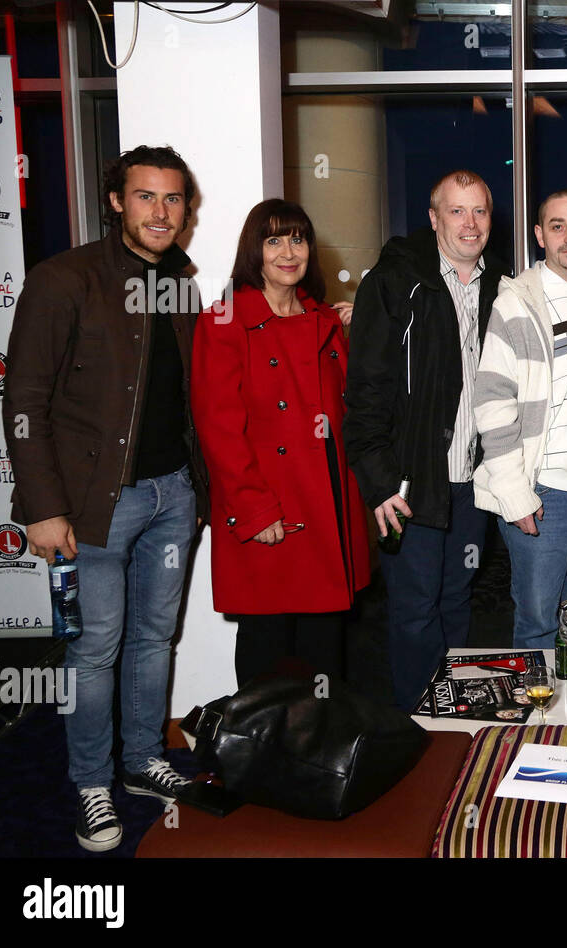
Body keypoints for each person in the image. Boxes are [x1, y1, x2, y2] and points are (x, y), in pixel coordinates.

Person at [2, 145, 205, 851]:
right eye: (146, 197)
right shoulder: (64, 279)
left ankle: (143, 759)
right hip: (94, 505)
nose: (161, 211)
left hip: (172, 495)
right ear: (117, 201)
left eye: (174, 199)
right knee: (94, 650)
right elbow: (24, 397)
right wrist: (42, 506)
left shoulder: (182, 281)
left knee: (154, 639)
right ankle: (92, 783)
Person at [344, 169, 506, 710]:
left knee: (458, 599)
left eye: (479, 211)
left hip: (472, 482)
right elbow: (365, 392)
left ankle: (453, 711)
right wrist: (379, 481)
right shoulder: (394, 284)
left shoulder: (500, 289)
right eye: (456, 211)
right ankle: (419, 725)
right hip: (411, 481)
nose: (469, 223)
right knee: (415, 609)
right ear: (434, 218)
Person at [191, 199, 370, 687]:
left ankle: (320, 754)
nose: (289, 252)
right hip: (273, 507)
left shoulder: (324, 319)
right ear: (255, 251)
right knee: (266, 644)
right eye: (274, 241)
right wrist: (254, 509)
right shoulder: (225, 320)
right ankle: (259, 755)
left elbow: (349, 412)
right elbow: (218, 427)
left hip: (327, 503)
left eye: (298, 239)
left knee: (324, 645)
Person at [473, 191, 567, 648]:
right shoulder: (516, 303)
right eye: (557, 226)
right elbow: (493, 400)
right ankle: (542, 722)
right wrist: (515, 492)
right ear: (540, 235)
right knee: (539, 626)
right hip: (544, 495)